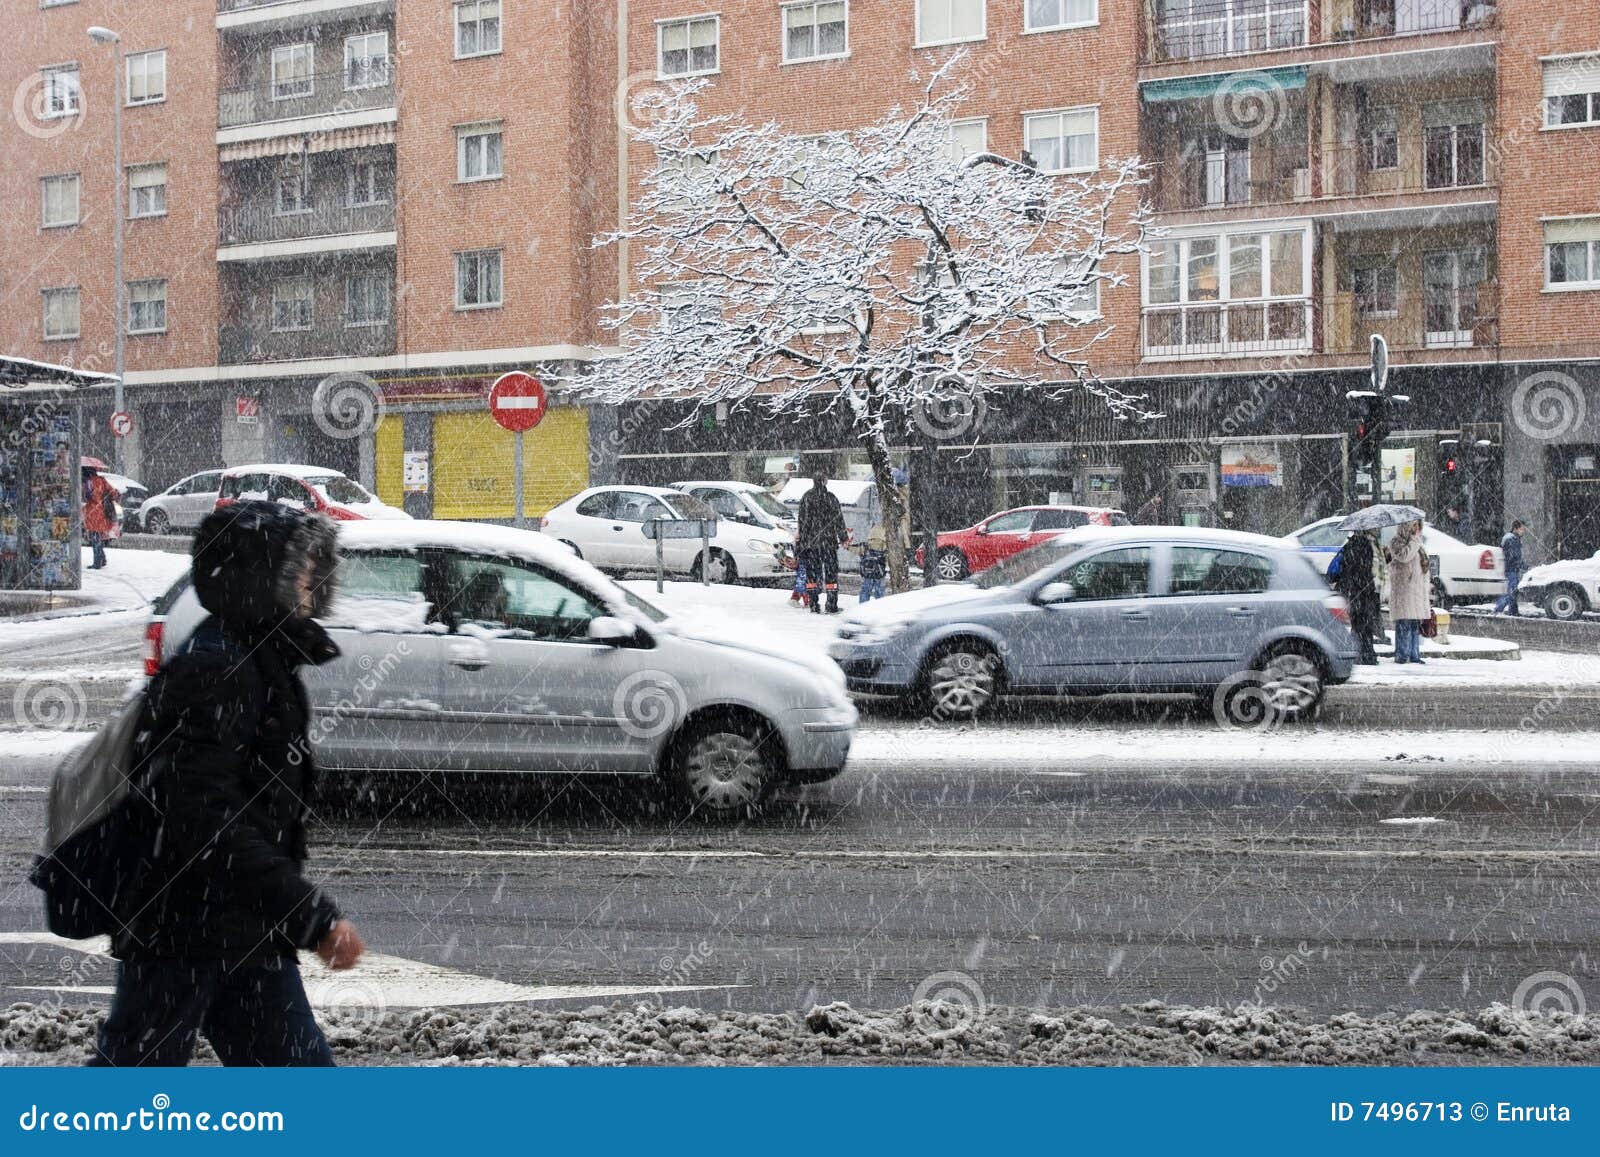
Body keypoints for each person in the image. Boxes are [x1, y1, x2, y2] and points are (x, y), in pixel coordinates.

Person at [91, 501, 363, 1067]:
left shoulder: (258, 659)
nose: (312, 579)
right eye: (298, 567)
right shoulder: (220, 668)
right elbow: (205, 819)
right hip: (183, 930)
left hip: (238, 929)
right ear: (259, 579)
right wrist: (310, 915)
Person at [797, 472, 847, 614]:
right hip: (828, 544)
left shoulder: (806, 497)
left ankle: (813, 604)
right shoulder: (831, 498)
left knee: (812, 575)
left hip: (811, 545)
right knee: (831, 574)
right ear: (825, 482)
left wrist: (802, 541)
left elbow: (802, 521)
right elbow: (839, 520)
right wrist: (843, 538)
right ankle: (831, 604)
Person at [1333, 529, 1381, 665]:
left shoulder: (1349, 545)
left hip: (1351, 590)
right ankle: (1367, 655)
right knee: (1365, 625)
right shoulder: (1366, 546)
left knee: (1357, 624)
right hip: (1363, 591)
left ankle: (1357, 654)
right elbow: (1366, 570)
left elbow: (1346, 568)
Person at [1386, 520, 1430, 665]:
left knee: (1414, 624)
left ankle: (1414, 654)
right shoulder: (1397, 542)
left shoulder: (1417, 543)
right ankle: (1402, 655)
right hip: (1404, 590)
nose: (1416, 528)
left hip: (1416, 590)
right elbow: (1405, 556)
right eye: (1414, 524)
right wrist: (1414, 541)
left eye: (1418, 525)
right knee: (1404, 622)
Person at [81, 465, 120, 570]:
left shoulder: (88, 482)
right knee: (97, 537)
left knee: (95, 538)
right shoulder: (102, 480)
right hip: (102, 511)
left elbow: (87, 497)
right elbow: (113, 493)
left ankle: (97, 562)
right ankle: (102, 559)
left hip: (93, 512)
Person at [1494, 519, 1527, 616]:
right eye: (1522, 529)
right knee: (1511, 592)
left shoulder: (1511, 538)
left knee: (1513, 591)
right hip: (1510, 569)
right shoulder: (1511, 539)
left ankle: (1513, 611)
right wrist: (1524, 566)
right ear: (1515, 528)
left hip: (1510, 568)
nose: (1524, 532)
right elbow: (1513, 557)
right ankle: (1497, 610)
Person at [857, 523, 888, 605]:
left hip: (867, 573)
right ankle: (880, 607)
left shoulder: (866, 545)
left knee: (865, 590)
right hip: (879, 574)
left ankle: (862, 606)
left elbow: (855, 549)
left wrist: (847, 546)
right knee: (880, 591)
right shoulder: (884, 545)